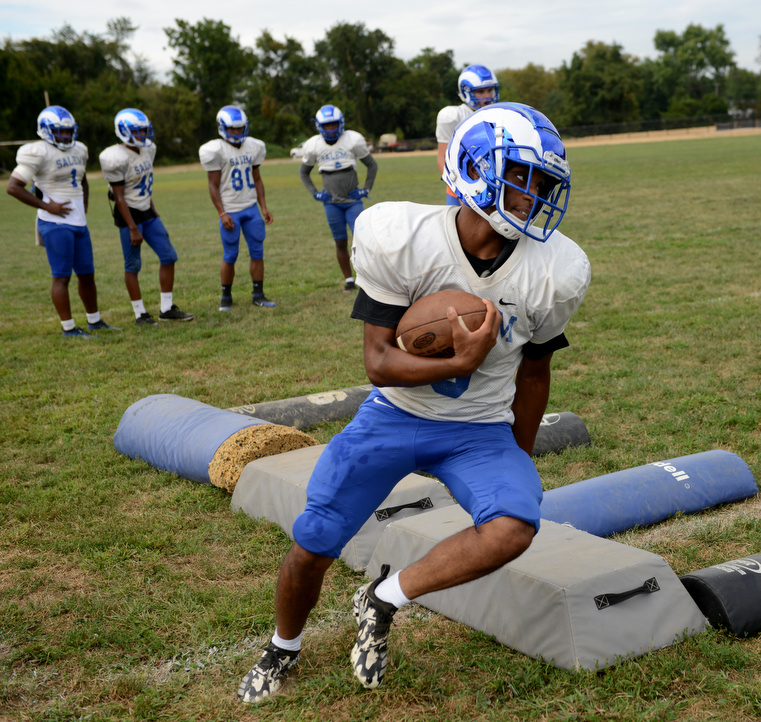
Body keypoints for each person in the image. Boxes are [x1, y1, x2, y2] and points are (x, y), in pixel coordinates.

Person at [236, 102, 589, 703]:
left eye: (544, 183)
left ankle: (383, 597)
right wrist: (458, 361)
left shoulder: (555, 269)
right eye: (522, 178)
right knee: (311, 545)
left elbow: (535, 372)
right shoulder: (402, 237)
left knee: (512, 527)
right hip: (395, 414)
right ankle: (282, 646)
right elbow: (378, 363)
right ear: (475, 171)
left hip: (479, 429)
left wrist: (519, 454)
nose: (535, 196)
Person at [6, 106, 119, 338]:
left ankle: (94, 321)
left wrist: (84, 205)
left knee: (87, 274)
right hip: (54, 223)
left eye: (68, 132)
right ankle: (68, 328)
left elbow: (82, 179)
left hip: (78, 223)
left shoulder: (79, 149)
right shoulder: (38, 151)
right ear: (46, 131)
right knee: (62, 276)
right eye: (61, 132)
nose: (66, 136)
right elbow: (13, 187)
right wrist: (48, 206)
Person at [99, 108, 194, 326]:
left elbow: (143, 183)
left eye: (144, 130)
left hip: (147, 210)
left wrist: (152, 205)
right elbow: (120, 197)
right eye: (137, 131)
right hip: (128, 214)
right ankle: (140, 314)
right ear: (123, 132)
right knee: (133, 265)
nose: (142, 135)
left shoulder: (148, 150)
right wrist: (132, 227)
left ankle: (166, 308)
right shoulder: (115, 157)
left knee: (169, 256)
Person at [198, 105, 276, 311]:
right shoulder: (215, 149)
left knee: (257, 252)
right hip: (231, 210)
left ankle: (258, 294)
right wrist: (222, 212)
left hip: (250, 208)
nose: (236, 132)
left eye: (239, 128)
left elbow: (257, 179)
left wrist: (264, 207)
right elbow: (213, 185)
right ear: (222, 128)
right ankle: (226, 296)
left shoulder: (254, 146)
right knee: (230, 255)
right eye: (232, 129)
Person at [298, 104, 378, 292]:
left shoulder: (352, 139)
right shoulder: (314, 145)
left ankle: (368, 278)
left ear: (341, 123)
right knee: (340, 241)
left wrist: (365, 189)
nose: (331, 129)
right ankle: (349, 279)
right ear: (319, 126)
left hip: (353, 202)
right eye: (327, 126)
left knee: (363, 241)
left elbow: (372, 165)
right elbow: (303, 173)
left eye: (334, 124)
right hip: (331, 204)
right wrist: (315, 193)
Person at [435, 65, 500, 205]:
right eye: (481, 91)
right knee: (455, 226)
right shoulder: (453, 116)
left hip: (493, 185)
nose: (487, 95)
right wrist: (461, 189)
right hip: (460, 189)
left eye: (490, 90)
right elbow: (443, 159)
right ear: (466, 92)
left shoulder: (498, 114)